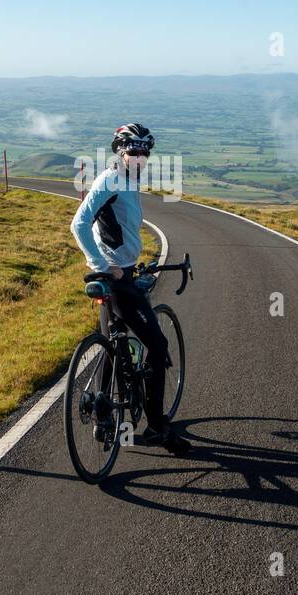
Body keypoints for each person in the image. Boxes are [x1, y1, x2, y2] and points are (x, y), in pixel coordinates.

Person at [69, 123, 190, 456]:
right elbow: (79, 223)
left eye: (143, 153)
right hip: (114, 278)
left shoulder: (127, 180)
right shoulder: (110, 181)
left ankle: (102, 416)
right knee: (157, 342)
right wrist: (102, 264)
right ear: (119, 153)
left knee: (112, 344)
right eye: (131, 152)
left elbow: (117, 229)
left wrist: (124, 263)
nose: (138, 158)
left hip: (118, 273)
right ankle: (156, 428)